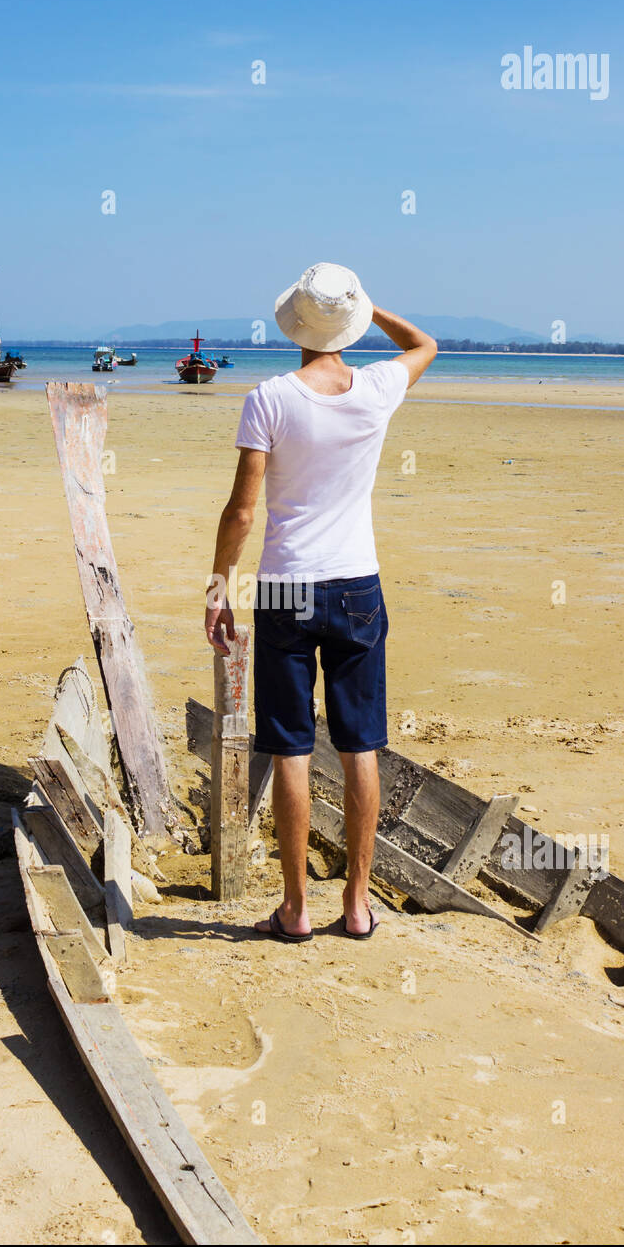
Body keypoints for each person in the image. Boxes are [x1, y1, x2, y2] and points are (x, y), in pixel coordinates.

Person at [204, 263, 437, 941]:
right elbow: (424, 345)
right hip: (357, 583)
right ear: (351, 323)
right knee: (360, 745)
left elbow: (242, 513)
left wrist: (219, 588)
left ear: (295, 324)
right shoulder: (375, 388)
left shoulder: (269, 398)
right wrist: (366, 308)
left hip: (285, 586)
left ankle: (296, 908)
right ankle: (358, 906)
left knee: (292, 748)